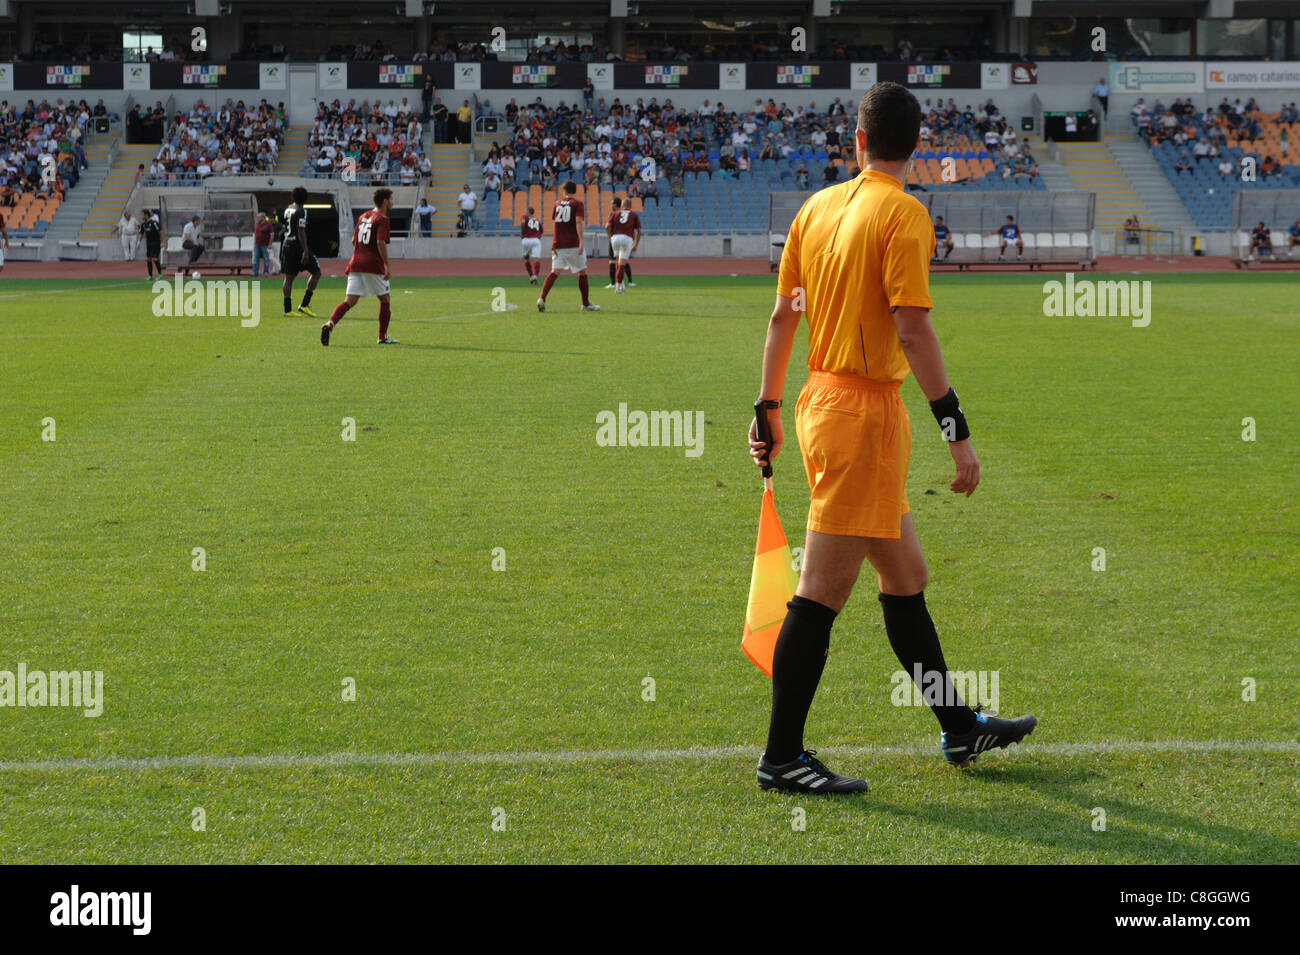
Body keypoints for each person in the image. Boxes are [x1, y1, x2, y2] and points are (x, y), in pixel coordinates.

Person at [747, 81, 1037, 795]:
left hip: (821, 399)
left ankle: (958, 725)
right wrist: (956, 427)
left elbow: (783, 318)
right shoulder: (904, 214)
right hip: (864, 415)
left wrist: (768, 406)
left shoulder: (816, 208)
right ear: (918, 147)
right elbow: (912, 327)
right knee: (819, 591)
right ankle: (781, 755)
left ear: (858, 141)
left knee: (905, 578)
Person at [321, 187, 397, 346]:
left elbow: (353, 241)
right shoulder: (383, 219)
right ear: (384, 201)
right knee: (385, 299)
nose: (392, 202)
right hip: (372, 264)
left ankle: (330, 324)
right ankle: (382, 337)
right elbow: (380, 242)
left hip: (355, 262)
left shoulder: (363, 216)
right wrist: (387, 266)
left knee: (349, 300)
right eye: (391, 199)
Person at [536, 179, 600, 313]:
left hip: (558, 243)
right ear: (575, 191)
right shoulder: (577, 204)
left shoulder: (557, 203)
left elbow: (556, 222)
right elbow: (578, 222)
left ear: (564, 191)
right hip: (572, 243)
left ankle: (542, 298)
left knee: (555, 272)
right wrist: (581, 240)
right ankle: (585, 304)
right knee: (582, 271)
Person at [280, 186, 321, 317]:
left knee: (289, 278)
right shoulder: (301, 210)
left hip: (286, 244)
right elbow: (301, 230)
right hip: (297, 246)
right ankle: (304, 305)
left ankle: (287, 310)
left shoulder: (288, 209)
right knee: (316, 272)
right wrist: (305, 251)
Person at [605, 196, 641, 294]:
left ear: (622, 205)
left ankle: (621, 285)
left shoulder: (616, 213)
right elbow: (638, 230)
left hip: (615, 238)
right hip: (626, 238)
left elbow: (607, 226)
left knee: (617, 262)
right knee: (622, 264)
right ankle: (618, 288)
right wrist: (635, 244)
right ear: (630, 206)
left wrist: (610, 237)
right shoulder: (633, 214)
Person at [520, 205, 543, 283]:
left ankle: (531, 276)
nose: (525, 212)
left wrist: (522, 232)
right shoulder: (537, 220)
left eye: (526, 211)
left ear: (528, 212)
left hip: (526, 240)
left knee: (526, 258)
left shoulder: (524, 217)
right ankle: (536, 276)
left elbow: (523, 223)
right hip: (536, 240)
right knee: (536, 259)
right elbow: (541, 231)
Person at [140, 208, 162, 279]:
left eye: (142, 215)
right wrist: (138, 242)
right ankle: (150, 275)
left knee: (155, 258)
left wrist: (163, 241)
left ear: (146, 215)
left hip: (156, 243)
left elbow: (160, 231)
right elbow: (141, 233)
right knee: (149, 259)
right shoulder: (143, 224)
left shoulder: (154, 223)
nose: (141, 216)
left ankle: (160, 273)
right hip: (148, 244)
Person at [252, 211, 274, 276]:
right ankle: (255, 272)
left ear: (263, 218)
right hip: (257, 244)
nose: (257, 218)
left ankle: (266, 272)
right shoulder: (258, 223)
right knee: (256, 258)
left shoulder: (268, 225)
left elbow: (272, 235)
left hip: (265, 245)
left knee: (266, 259)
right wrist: (253, 211)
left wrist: (270, 244)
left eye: (259, 217)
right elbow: (256, 215)